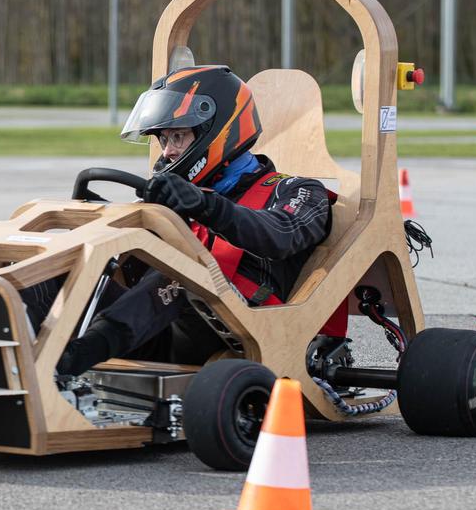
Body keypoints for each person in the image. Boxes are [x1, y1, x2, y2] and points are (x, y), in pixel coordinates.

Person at [56, 65, 334, 376]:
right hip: (157, 326)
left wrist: (206, 205)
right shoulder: (177, 195)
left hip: (244, 329)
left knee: (184, 276)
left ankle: (66, 365)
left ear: (218, 132)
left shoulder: (297, 190)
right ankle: (16, 355)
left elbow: (280, 233)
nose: (168, 152)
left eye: (177, 136)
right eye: (163, 140)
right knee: (66, 265)